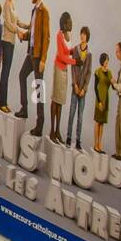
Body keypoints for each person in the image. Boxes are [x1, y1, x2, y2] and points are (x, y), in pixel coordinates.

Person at [14, 0, 49, 137]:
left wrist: (43, 60)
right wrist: (24, 35)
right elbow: (33, 33)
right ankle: (24, 109)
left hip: (38, 56)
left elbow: (46, 38)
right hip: (31, 53)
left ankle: (40, 125)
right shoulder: (34, 10)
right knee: (22, 75)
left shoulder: (44, 11)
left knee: (39, 88)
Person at [49, 11, 74, 143]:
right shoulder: (59, 35)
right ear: (65, 23)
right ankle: (52, 130)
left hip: (65, 70)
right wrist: (74, 61)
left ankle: (58, 130)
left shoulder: (68, 35)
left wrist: (73, 51)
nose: (72, 23)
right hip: (59, 68)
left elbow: (66, 52)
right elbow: (61, 56)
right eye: (70, 21)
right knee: (55, 99)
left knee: (61, 101)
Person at [66, 26, 92, 150]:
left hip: (83, 91)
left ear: (87, 37)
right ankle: (68, 137)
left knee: (80, 116)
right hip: (75, 87)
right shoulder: (75, 50)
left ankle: (78, 141)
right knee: (71, 113)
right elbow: (73, 68)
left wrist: (84, 89)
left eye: (84, 34)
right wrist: (75, 84)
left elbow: (89, 73)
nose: (82, 36)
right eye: (81, 33)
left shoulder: (89, 55)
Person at [0, 0, 21, 112]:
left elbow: (17, 21)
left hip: (12, 43)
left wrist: (26, 26)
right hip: (6, 42)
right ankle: (2, 103)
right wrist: (18, 31)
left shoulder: (13, 4)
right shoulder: (6, 4)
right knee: (5, 73)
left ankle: (4, 102)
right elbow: (7, 23)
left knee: (7, 72)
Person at [92, 52, 113, 154]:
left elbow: (112, 85)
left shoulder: (109, 73)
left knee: (102, 123)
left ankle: (100, 144)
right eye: (105, 60)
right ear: (102, 60)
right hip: (99, 98)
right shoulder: (97, 71)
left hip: (106, 99)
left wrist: (115, 82)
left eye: (108, 60)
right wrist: (99, 101)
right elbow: (95, 87)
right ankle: (95, 144)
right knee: (98, 121)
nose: (107, 62)